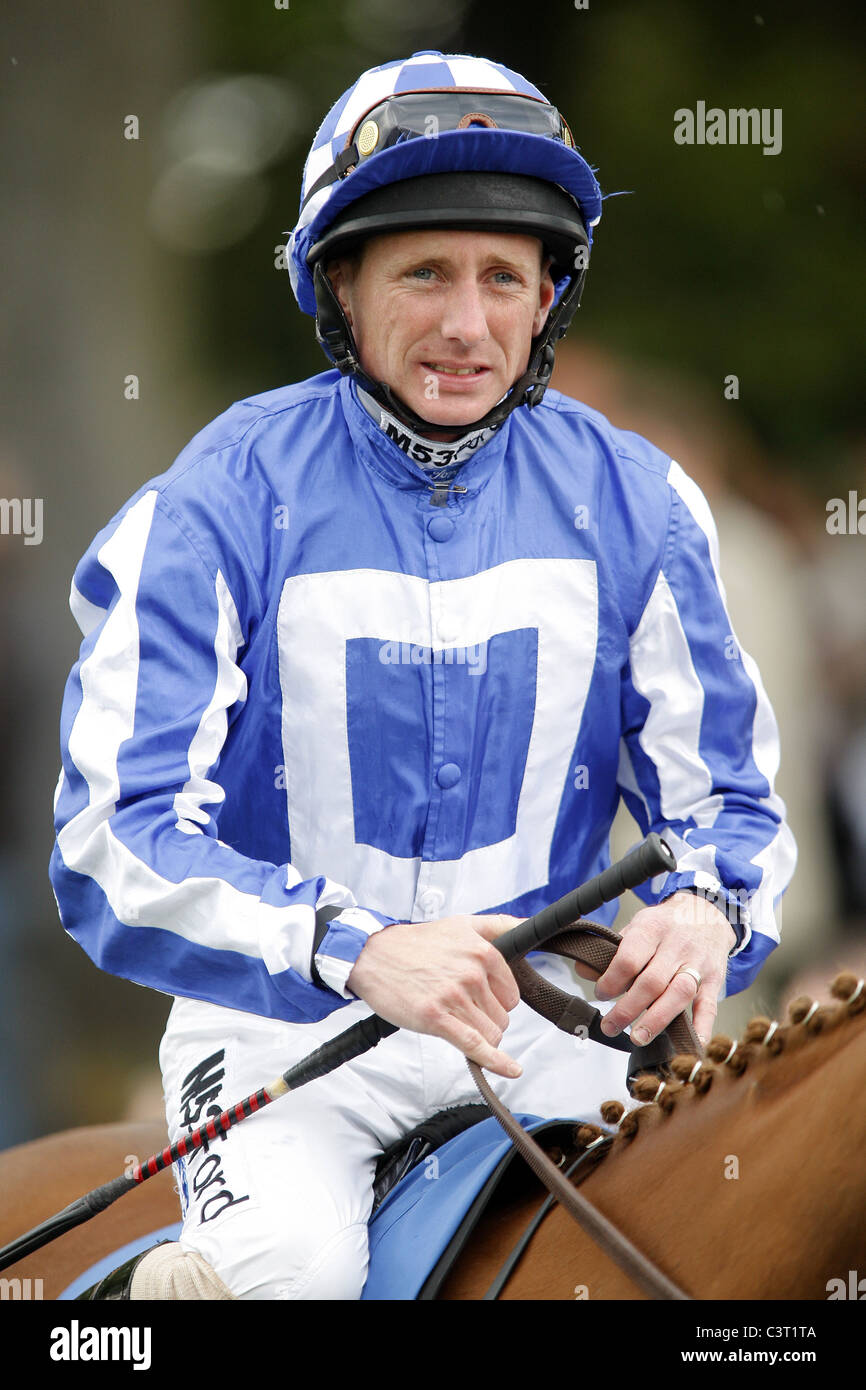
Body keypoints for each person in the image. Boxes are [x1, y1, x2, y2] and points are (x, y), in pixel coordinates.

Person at [50, 50, 796, 1300]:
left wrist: (705, 915)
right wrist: (357, 947)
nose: (466, 323)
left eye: (503, 276)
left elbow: (729, 810)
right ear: (339, 286)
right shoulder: (211, 503)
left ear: (548, 296)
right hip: (289, 1040)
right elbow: (108, 840)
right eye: (423, 274)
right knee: (287, 1276)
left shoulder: (643, 506)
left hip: (556, 1040)